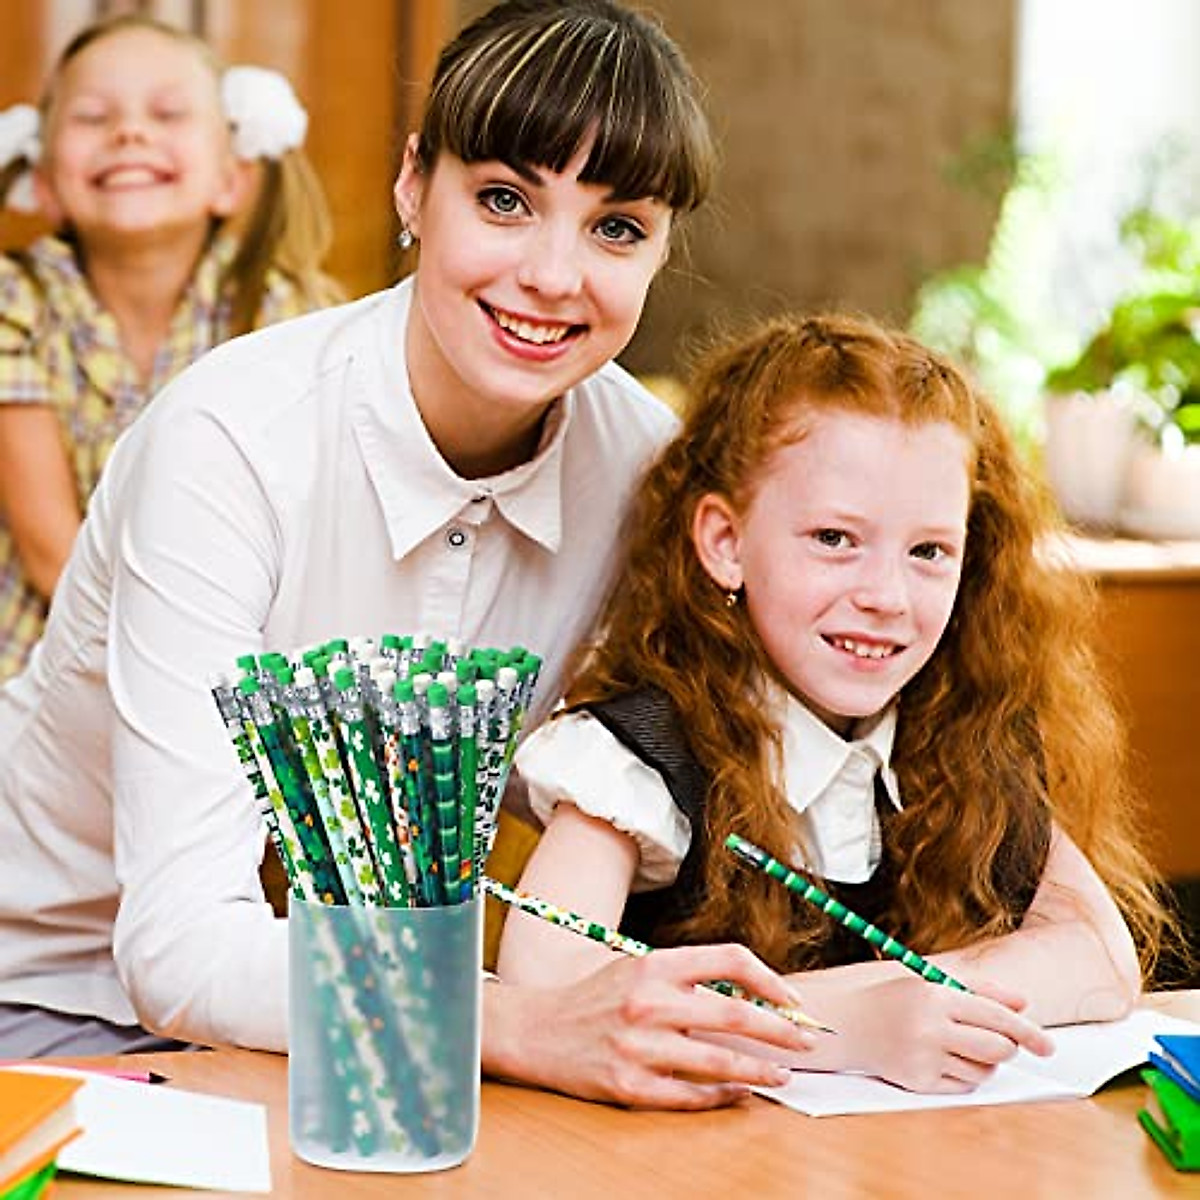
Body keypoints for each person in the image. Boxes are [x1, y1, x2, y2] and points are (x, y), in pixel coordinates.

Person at [0, 0, 813, 1105]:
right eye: (504, 200)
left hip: (372, 1012)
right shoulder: (229, 441)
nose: (553, 275)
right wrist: (518, 1020)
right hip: (58, 999)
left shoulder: (644, 471)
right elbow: (178, 950)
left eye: (616, 227)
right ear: (411, 186)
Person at [498, 311, 1175, 1098]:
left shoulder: (964, 730)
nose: (886, 597)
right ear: (725, 542)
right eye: (834, 539)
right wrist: (851, 1028)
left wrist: (924, 998)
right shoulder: (640, 751)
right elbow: (547, 985)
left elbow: (1098, 954)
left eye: (928, 552)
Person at [0, 14, 341, 681]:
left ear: (231, 179)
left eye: (168, 112)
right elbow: (52, 555)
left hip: (220, 658)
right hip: (39, 670)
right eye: (93, 116)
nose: (130, 132)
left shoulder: (286, 316)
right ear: (43, 182)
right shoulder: (14, 301)